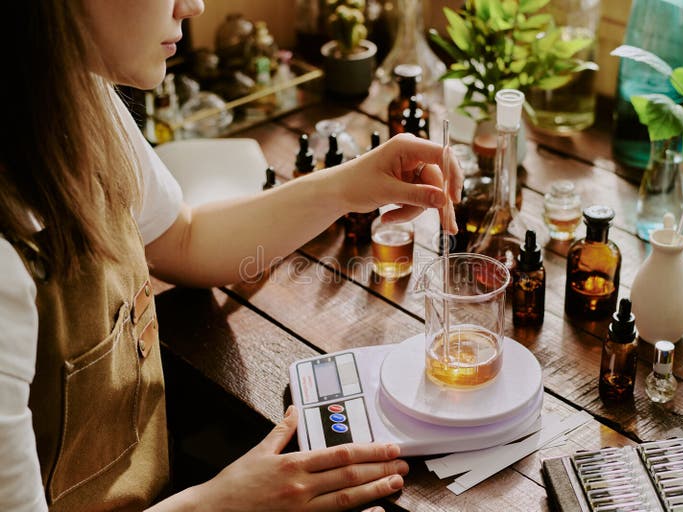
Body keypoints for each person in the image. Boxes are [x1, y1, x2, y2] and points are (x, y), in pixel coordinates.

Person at [0, 1, 461, 511]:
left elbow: (183, 239)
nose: (193, 6)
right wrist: (224, 502)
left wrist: (348, 185)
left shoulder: (78, 96)